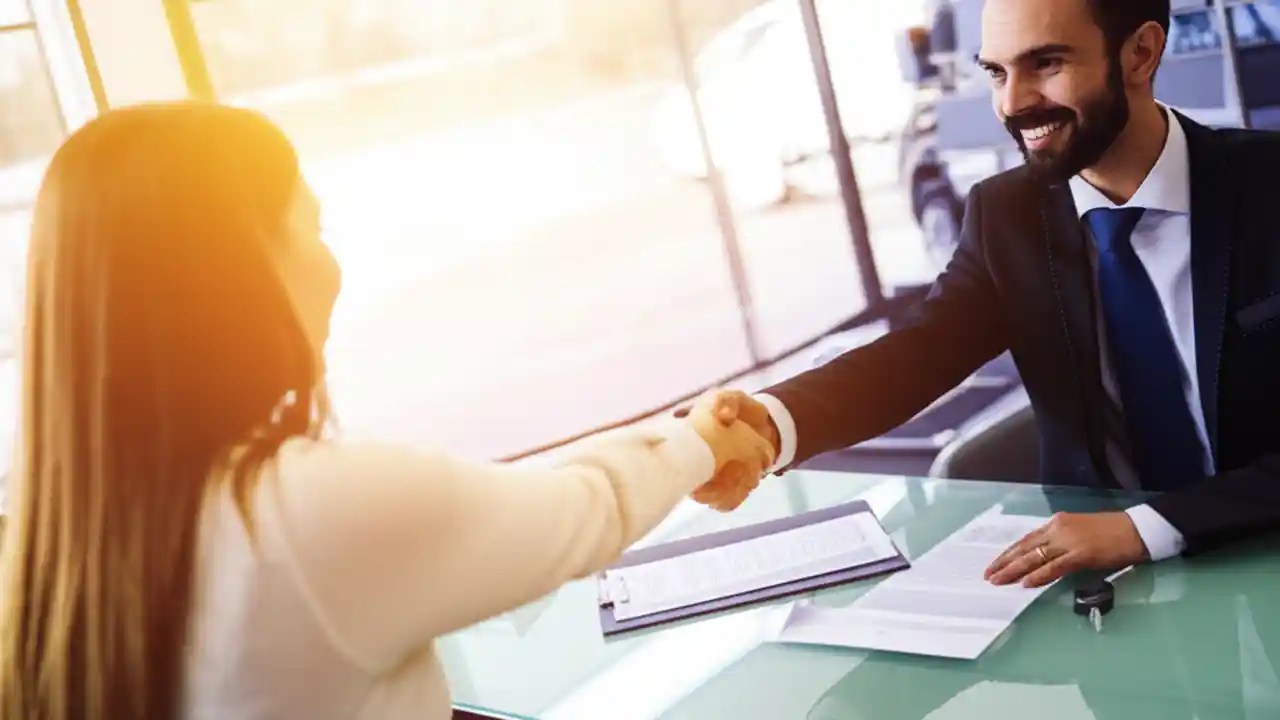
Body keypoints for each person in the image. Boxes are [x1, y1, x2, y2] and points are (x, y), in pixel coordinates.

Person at [0, 102, 776, 720]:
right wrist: (702, 441)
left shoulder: (58, 549)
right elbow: (585, 512)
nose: (330, 263)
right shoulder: (302, 511)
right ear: (235, 273)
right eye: (309, 227)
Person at [693, 0, 1280, 587]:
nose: (1012, 103)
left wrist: (1146, 527)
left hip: (1259, 545)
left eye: (1046, 64)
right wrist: (769, 424)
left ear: (1140, 54)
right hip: (1110, 589)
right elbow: (921, 352)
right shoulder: (1007, 215)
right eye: (997, 72)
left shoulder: (1267, 186)